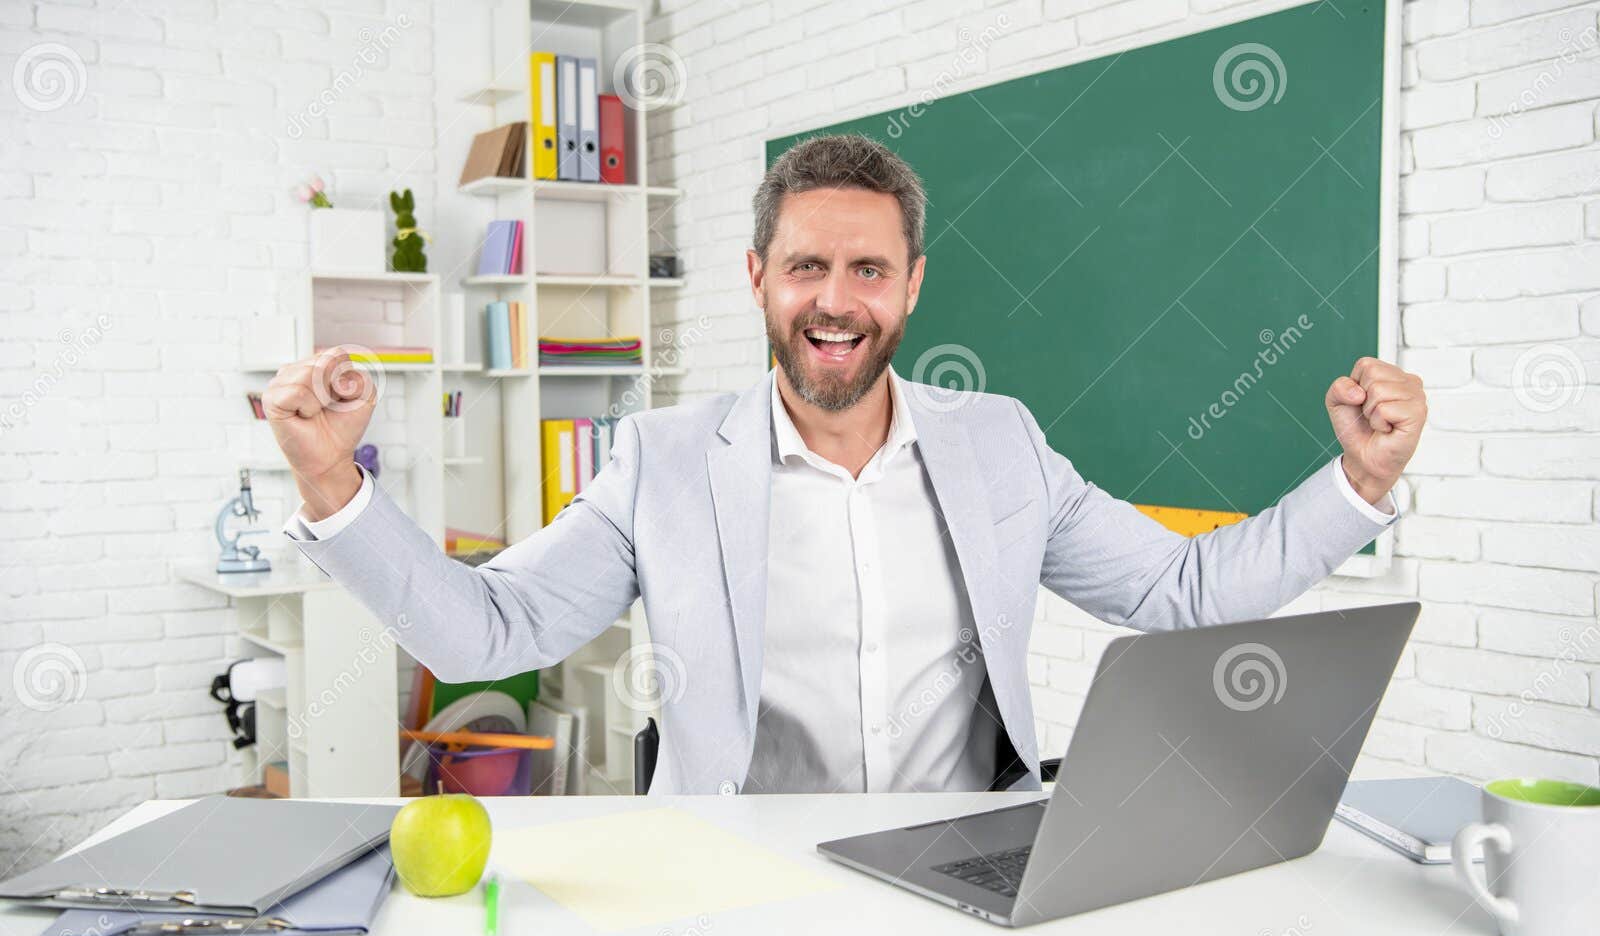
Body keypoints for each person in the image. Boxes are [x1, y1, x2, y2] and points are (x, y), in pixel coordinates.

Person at [265, 134, 1426, 796]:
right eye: (807, 266)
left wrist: (1357, 485)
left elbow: (1183, 591)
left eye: (868, 270)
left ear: (912, 286)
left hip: (971, 858)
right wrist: (334, 485)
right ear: (759, 278)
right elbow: (489, 634)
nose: (836, 301)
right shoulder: (662, 462)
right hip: (735, 876)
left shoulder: (1002, 445)